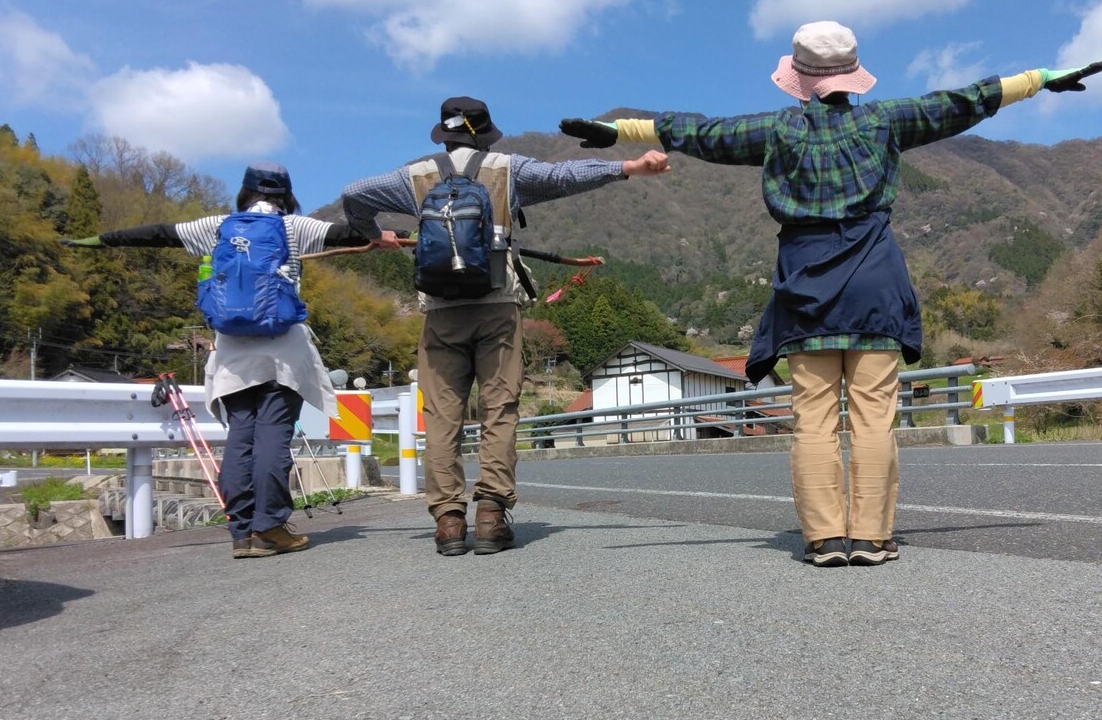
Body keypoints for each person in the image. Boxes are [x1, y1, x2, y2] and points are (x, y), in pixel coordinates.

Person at [561, 22, 1102, 567]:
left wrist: (622, 132)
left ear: (797, 76)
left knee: (815, 418)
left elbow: (703, 132)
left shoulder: (777, 130)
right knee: (874, 417)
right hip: (875, 275)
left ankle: (825, 539)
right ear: (853, 74)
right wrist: (1039, 78)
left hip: (805, 282)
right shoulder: (885, 120)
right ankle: (871, 538)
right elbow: (962, 102)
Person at [341, 96, 671, 556]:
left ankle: (449, 522)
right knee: (499, 410)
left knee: (442, 416)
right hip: (497, 306)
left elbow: (355, 195)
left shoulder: (413, 176)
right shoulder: (506, 169)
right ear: (482, 132)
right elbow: (562, 178)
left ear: (445, 132)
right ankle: (492, 515)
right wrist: (628, 167)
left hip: (439, 312)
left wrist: (374, 234)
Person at [66, 161, 363, 559]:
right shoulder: (295, 227)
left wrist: (98, 239)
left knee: (241, 438)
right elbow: (353, 232)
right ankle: (271, 526)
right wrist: (397, 235)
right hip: (282, 352)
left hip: (232, 354)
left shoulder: (218, 226)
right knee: (273, 436)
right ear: (286, 196)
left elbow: (157, 234)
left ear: (246, 193)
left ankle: (241, 532)